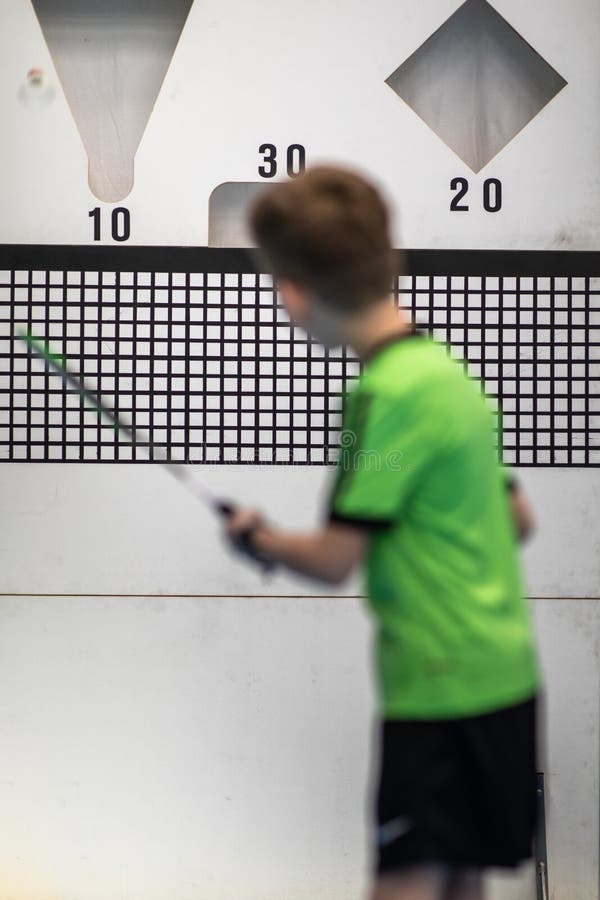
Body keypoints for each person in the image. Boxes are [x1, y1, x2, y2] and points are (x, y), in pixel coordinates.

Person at [224, 166, 539, 900]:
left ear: (295, 291)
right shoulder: (446, 373)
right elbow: (516, 518)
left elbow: (336, 560)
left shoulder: (381, 396)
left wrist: (257, 537)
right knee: (460, 884)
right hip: (506, 681)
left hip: (435, 689)